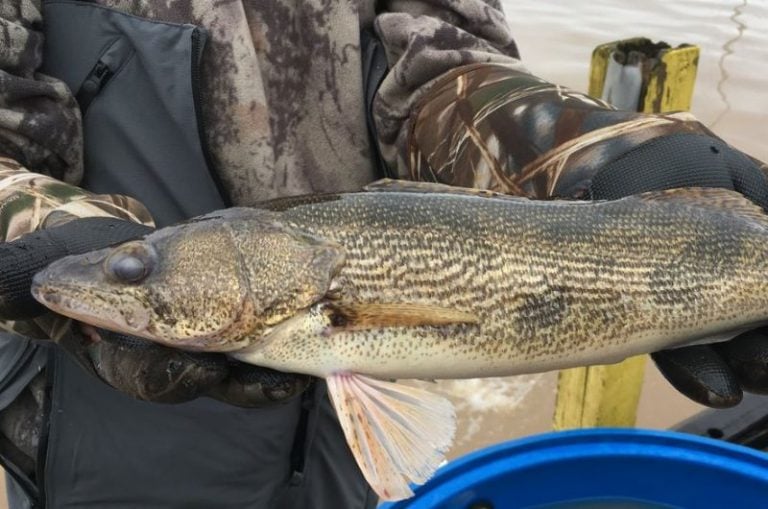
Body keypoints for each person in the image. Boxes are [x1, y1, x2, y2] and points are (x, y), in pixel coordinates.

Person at [0, 0, 767, 507]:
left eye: (138, 266)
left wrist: (577, 150)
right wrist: (34, 225)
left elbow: (443, 67)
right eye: (139, 264)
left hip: (339, 439)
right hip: (93, 436)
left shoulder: (311, 300)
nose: (127, 274)